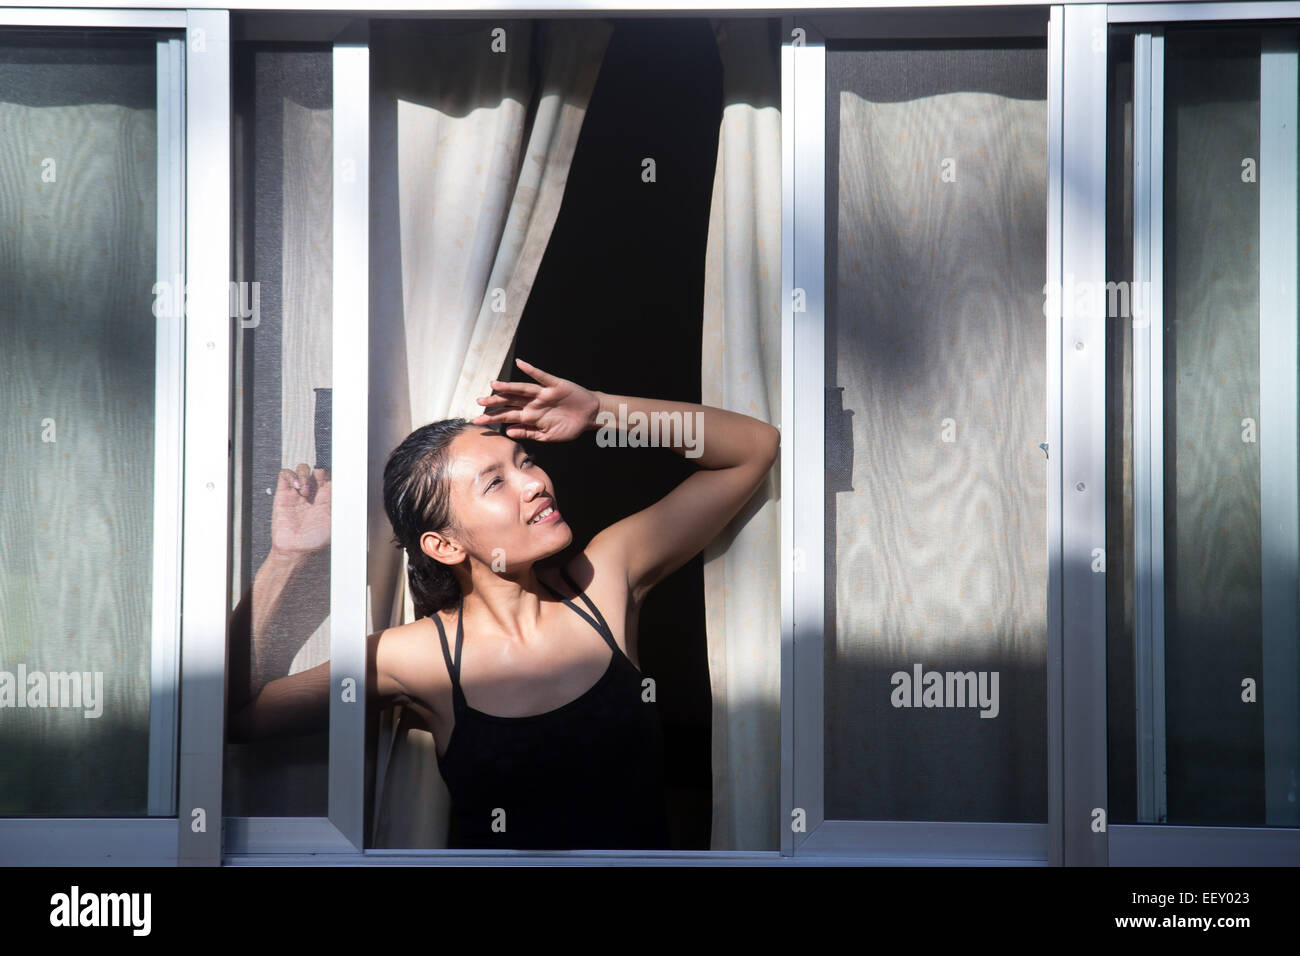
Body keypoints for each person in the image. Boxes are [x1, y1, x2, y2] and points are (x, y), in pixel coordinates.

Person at [229, 357, 780, 849]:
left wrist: (602, 412)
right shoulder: (414, 658)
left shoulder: (603, 582)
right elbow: (239, 716)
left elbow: (753, 451)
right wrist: (287, 559)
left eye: (525, 462)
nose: (535, 482)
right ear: (443, 545)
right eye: (495, 483)